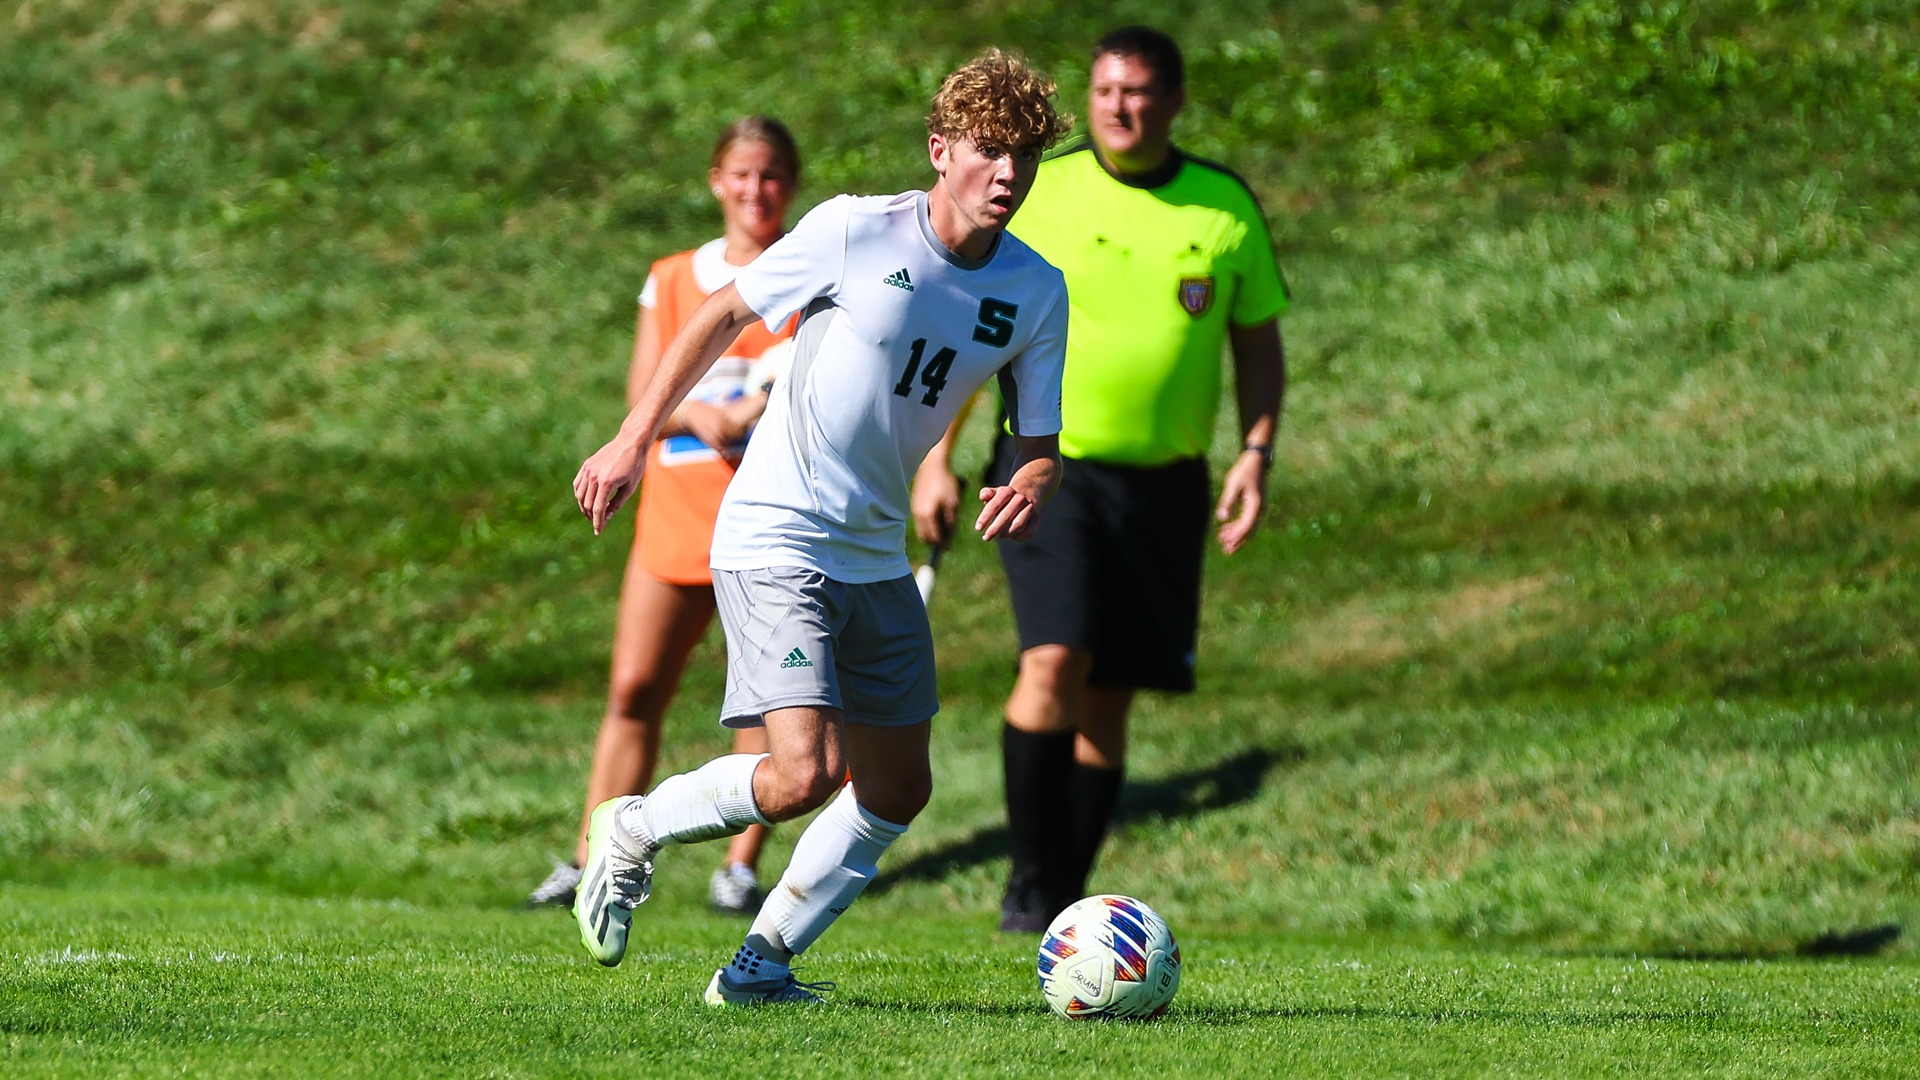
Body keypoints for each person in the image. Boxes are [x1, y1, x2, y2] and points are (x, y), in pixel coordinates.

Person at [568, 49, 1073, 1005]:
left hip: (874, 553)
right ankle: (631, 829)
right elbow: (722, 313)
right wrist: (633, 438)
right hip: (776, 532)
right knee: (805, 772)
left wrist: (1032, 480)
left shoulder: (1036, 291)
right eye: (988, 149)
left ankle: (758, 968)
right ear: (940, 150)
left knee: (897, 788)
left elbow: (1039, 443)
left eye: (1025, 156)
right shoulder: (854, 230)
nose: (1008, 172)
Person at [911, 26, 1291, 933]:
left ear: (1175, 101)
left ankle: (1065, 901)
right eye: (1107, 89)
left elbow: (1258, 341)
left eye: (1141, 91)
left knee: (1110, 695)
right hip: (1050, 472)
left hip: (1165, 485)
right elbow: (971, 317)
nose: (1122, 106)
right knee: (1054, 659)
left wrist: (1256, 451)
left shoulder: (1223, 206)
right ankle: (1028, 885)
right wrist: (937, 457)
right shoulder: (1042, 188)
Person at [524, 117, 803, 915]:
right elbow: (644, 391)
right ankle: (590, 856)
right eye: (741, 174)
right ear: (717, 180)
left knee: (764, 704)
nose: (756, 190)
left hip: (767, 521)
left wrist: (761, 401)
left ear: (790, 182)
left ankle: (738, 868)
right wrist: (699, 415)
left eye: (772, 175)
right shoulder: (676, 276)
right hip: (676, 515)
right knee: (634, 688)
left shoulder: (808, 268)